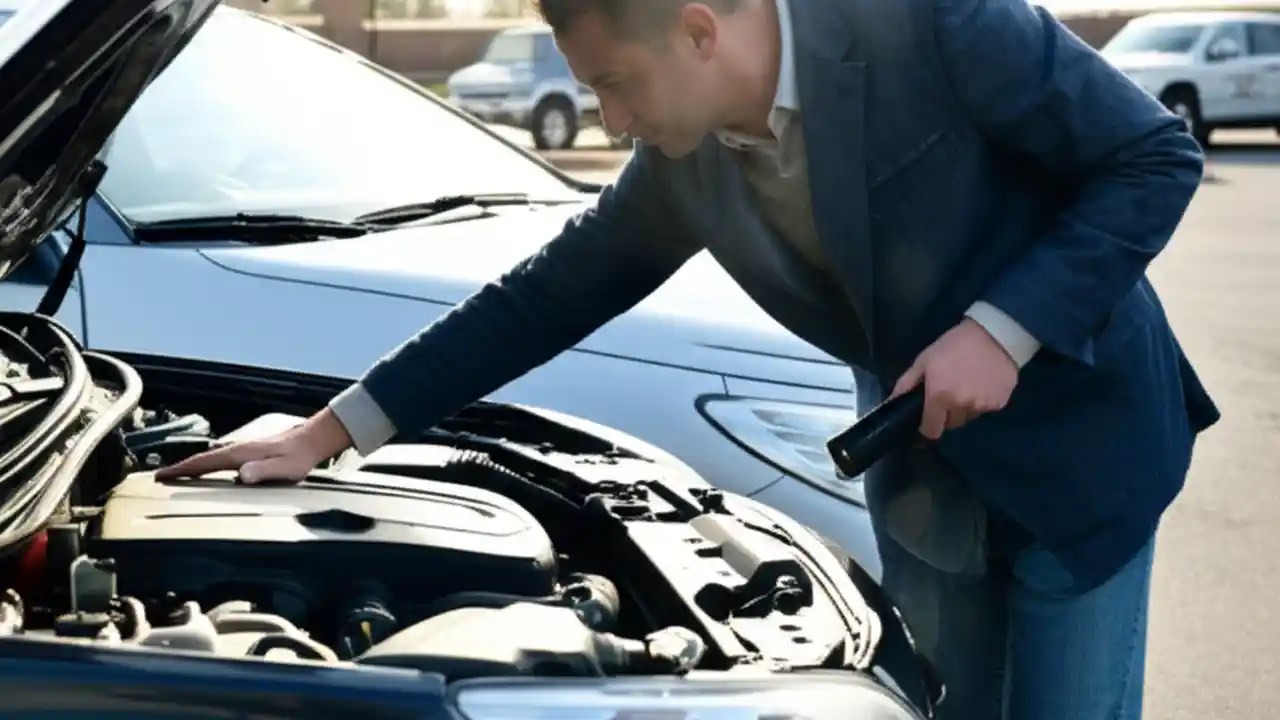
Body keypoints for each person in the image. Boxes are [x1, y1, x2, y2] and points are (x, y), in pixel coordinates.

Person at [158, 0, 1219, 716]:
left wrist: (1001, 326)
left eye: (616, 84)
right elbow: (547, 293)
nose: (609, 118)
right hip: (926, 482)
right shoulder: (684, 160)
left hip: (1082, 452)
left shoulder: (925, 20)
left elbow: (1147, 156)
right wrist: (329, 429)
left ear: (700, 29)